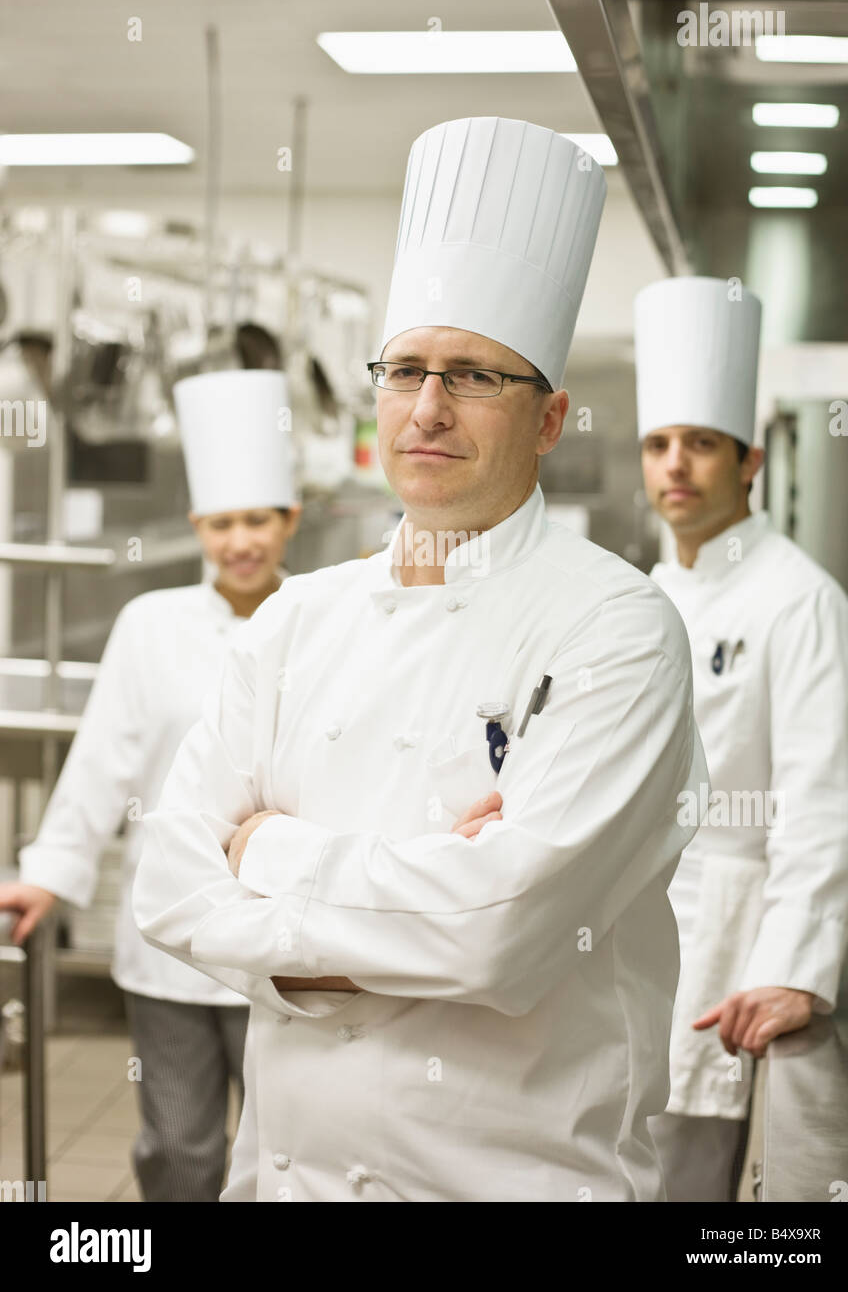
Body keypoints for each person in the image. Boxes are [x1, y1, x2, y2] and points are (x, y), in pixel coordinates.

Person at [134, 115, 707, 1203]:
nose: (429, 409)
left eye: (474, 377)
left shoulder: (617, 628)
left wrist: (265, 851)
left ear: (549, 418)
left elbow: (498, 934)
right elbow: (166, 886)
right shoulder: (297, 618)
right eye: (405, 371)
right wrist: (423, 900)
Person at [0, 368, 300, 1201]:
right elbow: (103, 761)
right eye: (222, 524)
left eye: (257, 520)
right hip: (167, 937)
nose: (240, 542)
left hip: (281, 928)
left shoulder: (319, 617)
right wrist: (50, 874)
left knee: (285, 1150)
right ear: (198, 527)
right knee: (178, 1149)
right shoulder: (151, 625)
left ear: (289, 520)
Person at [634, 275, 848, 1202]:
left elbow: (825, 804)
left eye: (700, 443)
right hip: (630, 947)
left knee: (692, 1196)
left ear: (749, 462)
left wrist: (792, 970)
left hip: (732, 957)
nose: (676, 465)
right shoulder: (642, 598)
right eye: (659, 444)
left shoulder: (799, 601)